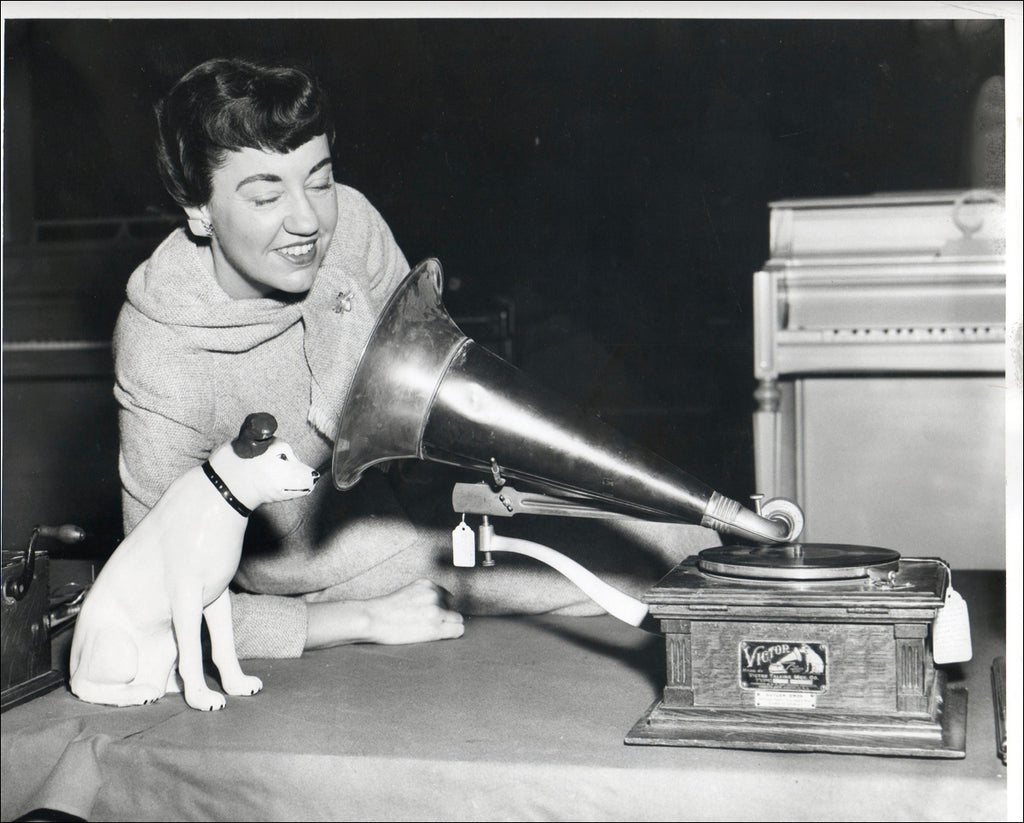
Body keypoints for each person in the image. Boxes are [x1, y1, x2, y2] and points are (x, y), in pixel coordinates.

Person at [113, 57, 719, 660]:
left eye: (318, 180)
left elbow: (432, 382)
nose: (308, 221)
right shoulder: (161, 350)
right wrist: (353, 619)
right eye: (266, 195)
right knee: (669, 569)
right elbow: (154, 604)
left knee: (693, 536)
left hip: (429, 490)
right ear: (198, 209)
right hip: (326, 561)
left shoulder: (350, 225)